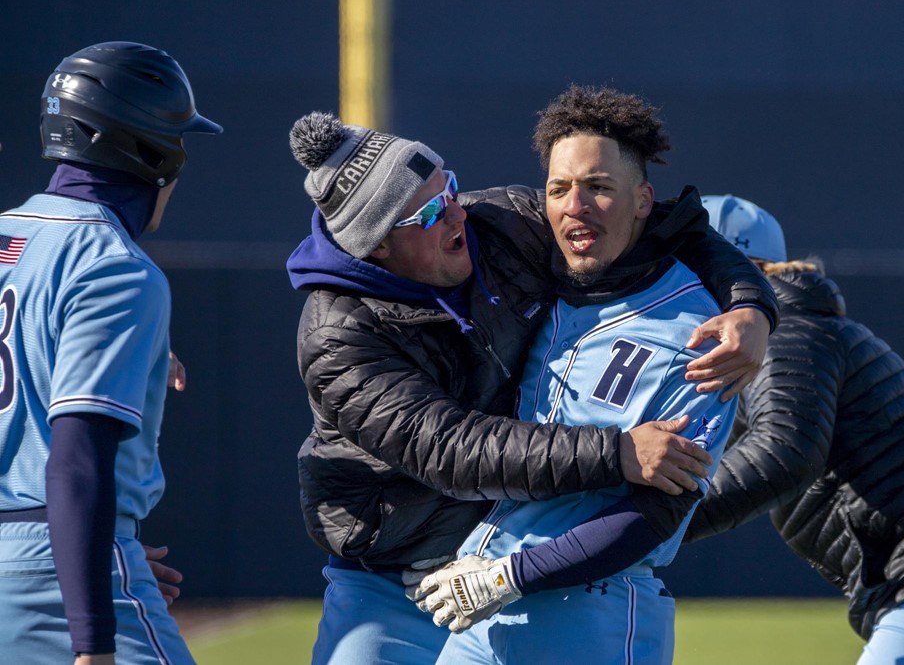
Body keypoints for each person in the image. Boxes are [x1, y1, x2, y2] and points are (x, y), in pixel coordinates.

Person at [287, 105, 777, 664]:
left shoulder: (502, 221)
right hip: (393, 572)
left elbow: (662, 224)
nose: (457, 216)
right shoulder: (336, 336)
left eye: (449, 188)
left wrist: (751, 305)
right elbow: (450, 449)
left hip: (509, 565)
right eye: (428, 212)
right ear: (375, 246)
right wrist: (616, 452)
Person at [401, 85, 735, 665]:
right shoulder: (544, 284)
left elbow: (656, 513)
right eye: (559, 188)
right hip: (479, 598)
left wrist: (512, 576)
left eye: (599, 187)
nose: (574, 205)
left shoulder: (702, 331)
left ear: (643, 201)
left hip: (589, 613)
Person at [682, 194, 904, 664]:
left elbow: (782, 450)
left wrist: (651, 518)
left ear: (737, 267)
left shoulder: (786, 332)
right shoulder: (799, 330)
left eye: (689, 269)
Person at [0, 42, 221, 665]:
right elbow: (75, 464)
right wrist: (92, 633)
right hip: (57, 573)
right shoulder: (114, 268)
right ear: (154, 153)